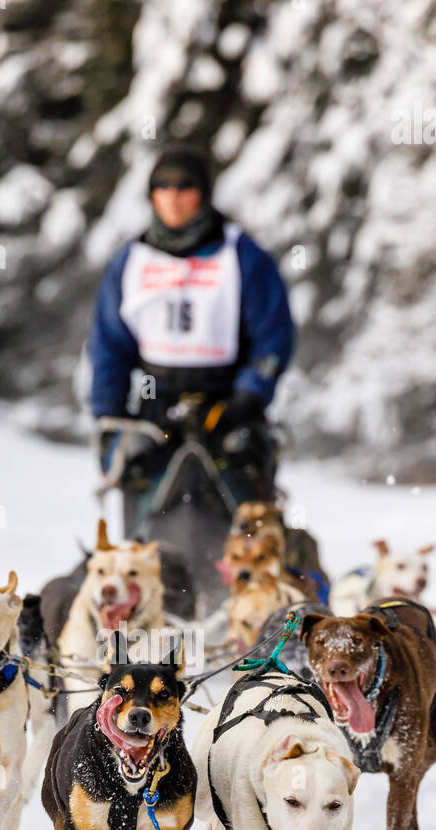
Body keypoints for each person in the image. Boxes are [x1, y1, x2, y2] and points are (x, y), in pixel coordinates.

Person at [88, 144, 295, 537]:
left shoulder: (241, 255)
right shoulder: (132, 260)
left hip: (227, 405)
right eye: (163, 186)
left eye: (185, 185)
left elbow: (272, 336)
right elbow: (109, 347)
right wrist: (108, 415)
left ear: (203, 192)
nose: (174, 196)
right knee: (140, 506)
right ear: (151, 195)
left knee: (248, 517)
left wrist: (250, 395)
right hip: (155, 402)